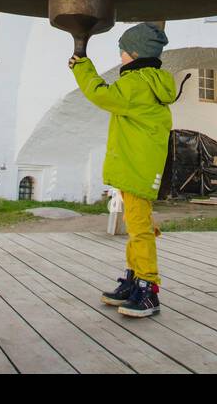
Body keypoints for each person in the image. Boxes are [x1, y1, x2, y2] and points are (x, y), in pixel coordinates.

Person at [69, 22, 178, 318]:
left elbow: (101, 94)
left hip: (135, 169)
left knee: (140, 229)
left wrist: (82, 66)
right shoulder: (152, 81)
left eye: (123, 53)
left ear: (135, 53)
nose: (120, 58)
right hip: (139, 167)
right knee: (136, 227)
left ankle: (148, 290)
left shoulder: (135, 83)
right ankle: (134, 280)